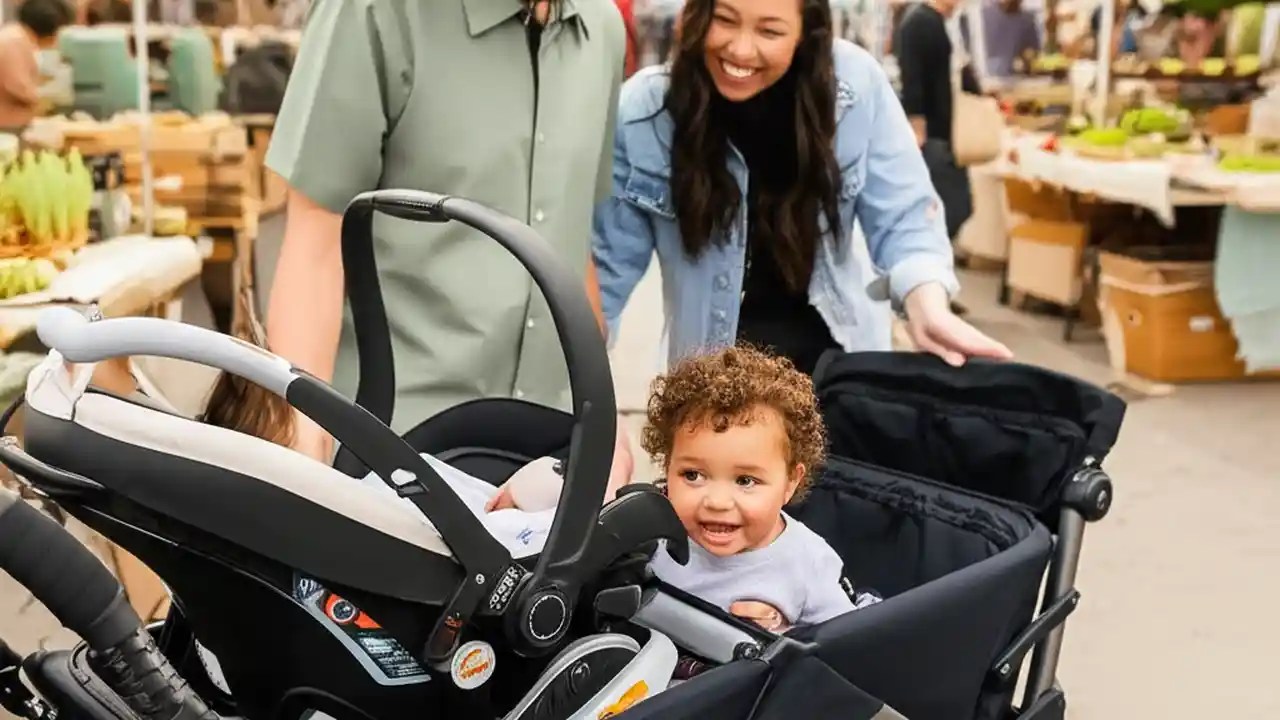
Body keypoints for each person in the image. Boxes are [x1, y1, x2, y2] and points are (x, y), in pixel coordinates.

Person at [262, 0, 634, 487]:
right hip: (396, 454)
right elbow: (314, 240)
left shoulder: (601, 29)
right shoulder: (373, 13)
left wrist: (601, 417)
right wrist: (303, 453)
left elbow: (570, 231)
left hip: (551, 460)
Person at [592, 0, 1011, 379]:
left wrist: (926, 304)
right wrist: (576, 408)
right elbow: (605, 272)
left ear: (805, 31)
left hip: (837, 377)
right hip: (713, 390)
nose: (740, 49)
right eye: (724, 20)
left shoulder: (853, 89)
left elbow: (904, 217)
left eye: (769, 31)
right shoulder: (645, 115)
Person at [642, 345, 866, 633]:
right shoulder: (649, 534)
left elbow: (845, 645)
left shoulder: (807, 562)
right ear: (667, 467)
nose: (718, 502)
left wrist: (784, 632)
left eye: (745, 481)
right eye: (693, 475)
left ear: (790, 482)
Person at [895, 0, 982, 242]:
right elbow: (911, 79)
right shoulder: (920, 22)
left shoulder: (938, 23)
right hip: (932, 135)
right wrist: (918, 127)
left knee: (955, 207)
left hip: (945, 132)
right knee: (950, 207)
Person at [0, 0, 70, 131]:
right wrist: (44, 100)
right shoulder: (14, 41)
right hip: (8, 125)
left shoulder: (16, 35)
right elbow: (19, 87)